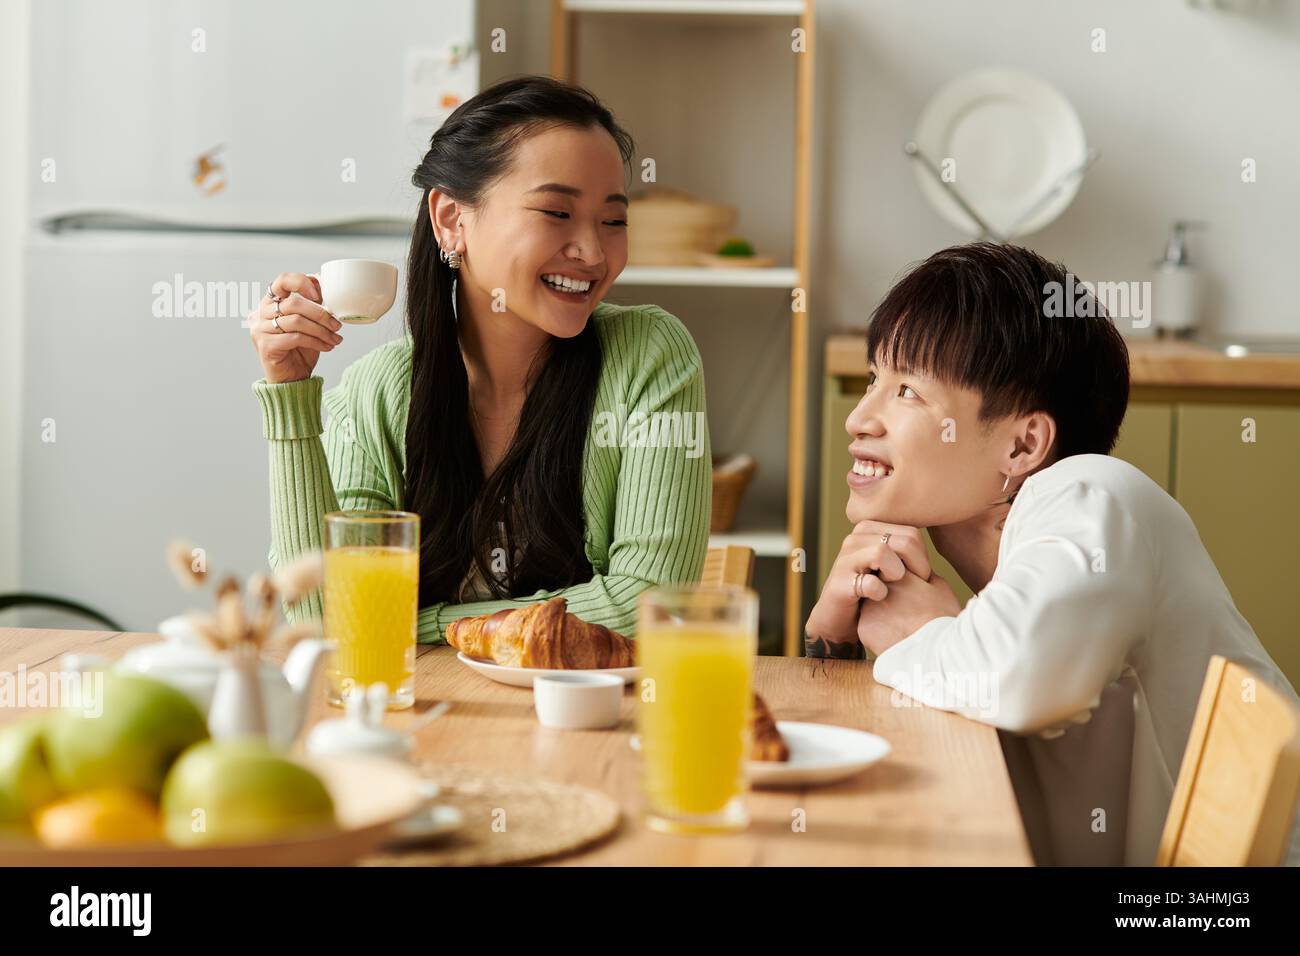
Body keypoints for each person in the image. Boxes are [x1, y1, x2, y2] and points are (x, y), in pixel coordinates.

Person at [806, 241, 1299, 866]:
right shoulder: (1017, 576)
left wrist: (922, 631)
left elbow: (1021, 680)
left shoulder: (1093, 491)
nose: (859, 418)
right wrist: (836, 634)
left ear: (1023, 445)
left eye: (908, 391)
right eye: (876, 378)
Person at [247, 75, 711, 642]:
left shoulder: (650, 356)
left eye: (613, 221)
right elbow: (327, 619)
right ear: (451, 219)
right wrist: (289, 394)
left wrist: (423, 626)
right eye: (556, 213)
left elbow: (650, 602)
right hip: (428, 723)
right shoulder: (379, 392)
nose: (593, 252)